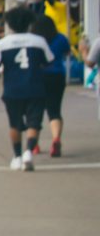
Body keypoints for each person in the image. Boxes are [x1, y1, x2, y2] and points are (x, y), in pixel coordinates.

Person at [0, 5, 52, 172]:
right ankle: (29, 153)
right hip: (35, 88)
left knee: (15, 125)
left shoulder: (1, 44)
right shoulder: (39, 41)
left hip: (12, 90)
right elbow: (48, 61)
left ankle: (16, 157)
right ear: (29, 23)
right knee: (34, 123)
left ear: (10, 24)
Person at [30, 14, 70, 157]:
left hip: (38, 76)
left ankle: (34, 145)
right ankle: (56, 139)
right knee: (54, 110)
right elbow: (67, 52)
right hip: (57, 76)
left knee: (36, 111)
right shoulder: (61, 38)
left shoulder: (34, 40)